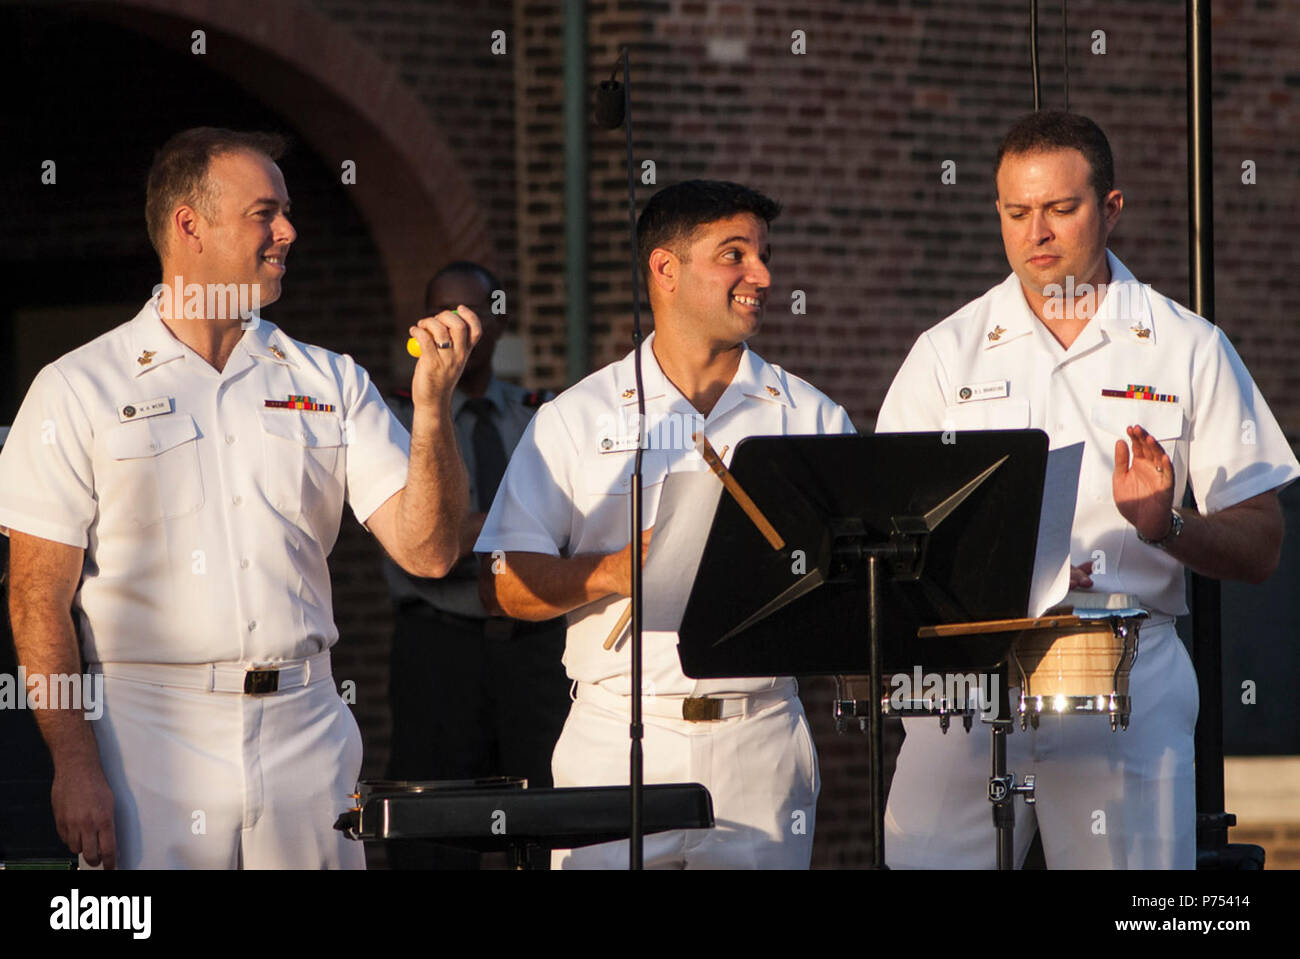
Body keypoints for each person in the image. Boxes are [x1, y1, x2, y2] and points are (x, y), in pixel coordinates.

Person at [0, 127, 481, 869]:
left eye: (286, 212)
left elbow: (431, 549)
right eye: (266, 212)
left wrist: (432, 410)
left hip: (307, 729)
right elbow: (38, 598)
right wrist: (74, 762)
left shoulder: (330, 379)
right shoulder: (77, 387)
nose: (289, 231)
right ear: (190, 224)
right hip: (146, 735)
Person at [877, 111, 1299, 869]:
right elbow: (884, 528)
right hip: (970, 684)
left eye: (1060, 209)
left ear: (1110, 209)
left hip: (1128, 677)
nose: (1036, 232)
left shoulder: (1188, 345)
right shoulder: (944, 352)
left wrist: (1166, 525)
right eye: (1016, 212)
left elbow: (1262, 541)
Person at [477, 180, 854, 869]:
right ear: (665, 269)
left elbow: (856, 596)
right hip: (613, 737)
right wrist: (616, 569)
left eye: (765, 255)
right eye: (734, 255)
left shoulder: (814, 418)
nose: (762, 276)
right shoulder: (575, 417)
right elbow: (501, 583)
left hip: (761, 742)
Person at [382, 261, 568, 869]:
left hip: (531, 650)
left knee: (545, 818)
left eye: (470, 312)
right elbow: (426, 543)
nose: (455, 328)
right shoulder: (402, 421)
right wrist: (514, 539)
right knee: (435, 824)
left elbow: (565, 527)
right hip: (440, 648)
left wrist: (483, 536)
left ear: (498, 317)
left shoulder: (542, 417)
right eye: (441, 312)